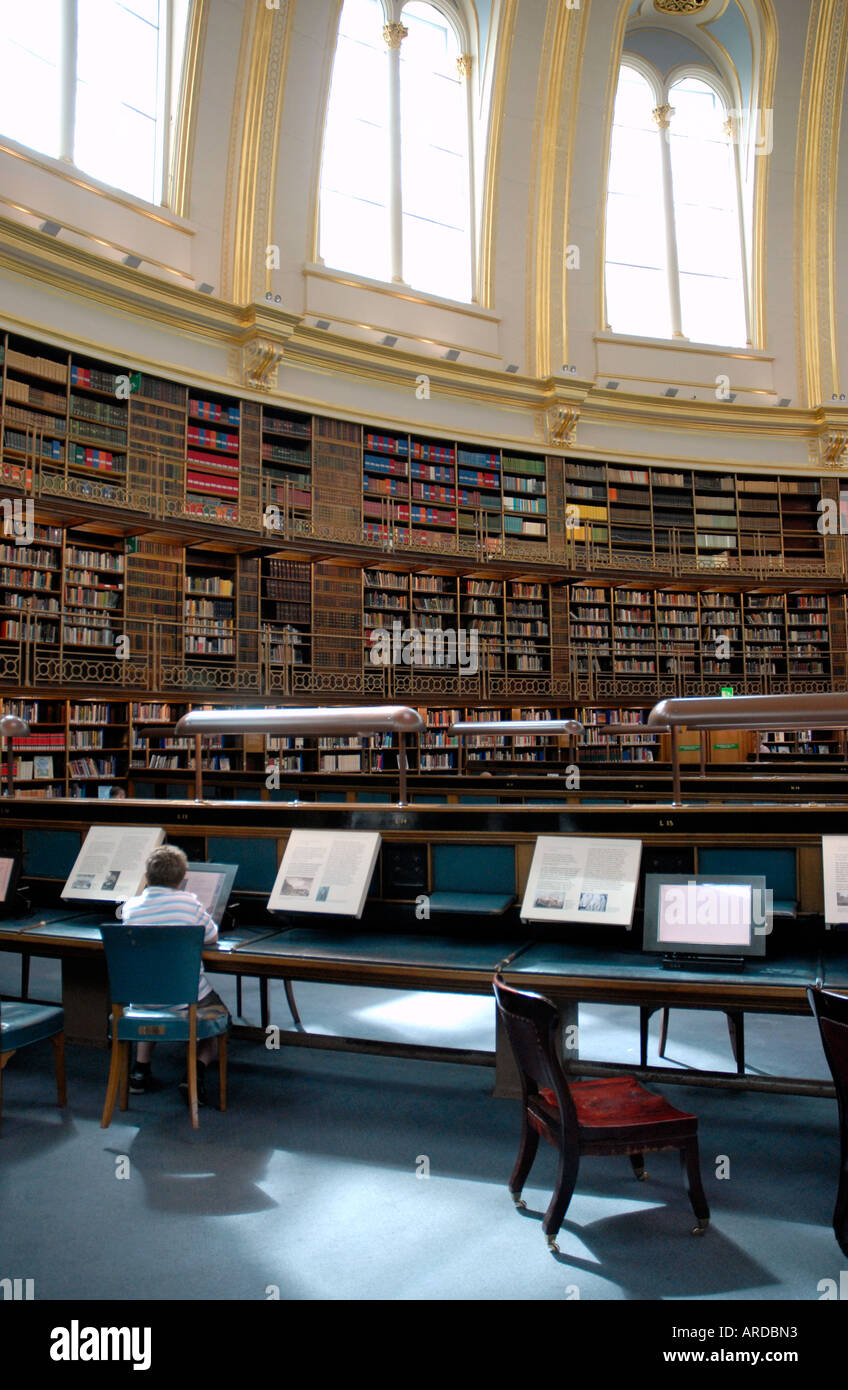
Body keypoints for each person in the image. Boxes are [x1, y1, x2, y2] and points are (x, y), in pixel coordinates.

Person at [119, 844, 228, 1106]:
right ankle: (196, 1072)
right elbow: (211, 934)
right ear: (181, 879)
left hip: (140, 998)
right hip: (185, 1000)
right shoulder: (189, 904)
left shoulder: (130, 908)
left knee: (154, 1001)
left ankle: (140, 1071)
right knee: (218, 1019)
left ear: (147, 876)